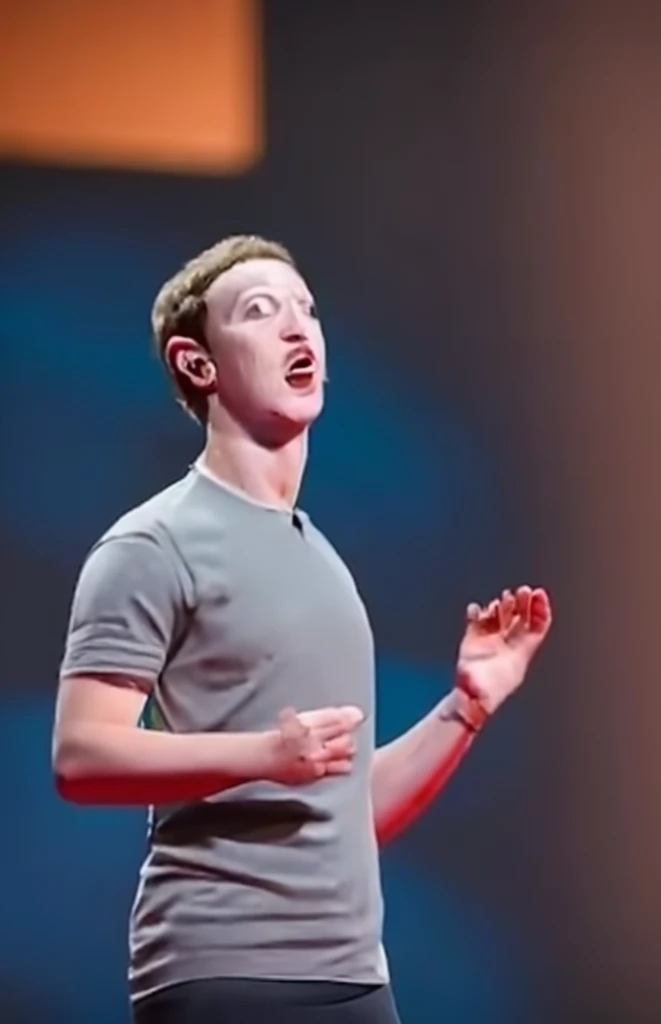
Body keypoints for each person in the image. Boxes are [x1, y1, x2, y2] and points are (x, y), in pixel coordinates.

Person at [51, 235, 553, 1024]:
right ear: (197, 363)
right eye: (260, 312)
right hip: (223, 973)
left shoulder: (322, 559)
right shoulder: (153, 544)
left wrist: (466, 707)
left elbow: (344, 819)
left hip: (353, 980)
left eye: (307, 310)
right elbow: (81, 757)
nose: (297, 328)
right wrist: (263, 755)